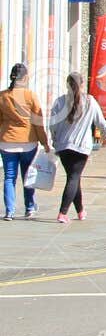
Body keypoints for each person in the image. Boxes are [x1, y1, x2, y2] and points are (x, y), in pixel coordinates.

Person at [49, 73, 106, 223]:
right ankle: (62, 213)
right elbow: (100, 122)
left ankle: (80, 210)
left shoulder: (59, 101)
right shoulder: (90, 101)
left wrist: (54, 139)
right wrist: (105, 137)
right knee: (73, 178)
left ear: (67, 84)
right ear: (82, 84)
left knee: (73, 177)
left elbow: (52, 125)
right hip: (81, 147)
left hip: (63, 146)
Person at [0, 63, 49, 219]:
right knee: (28, 176)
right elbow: (38, 122)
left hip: (7, 141)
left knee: (9, 177)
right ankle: (29, 208)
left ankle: (9, 211)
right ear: (25, 78)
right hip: (28, 142)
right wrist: (45, 142)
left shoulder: (3, 96)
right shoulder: (30, 95)